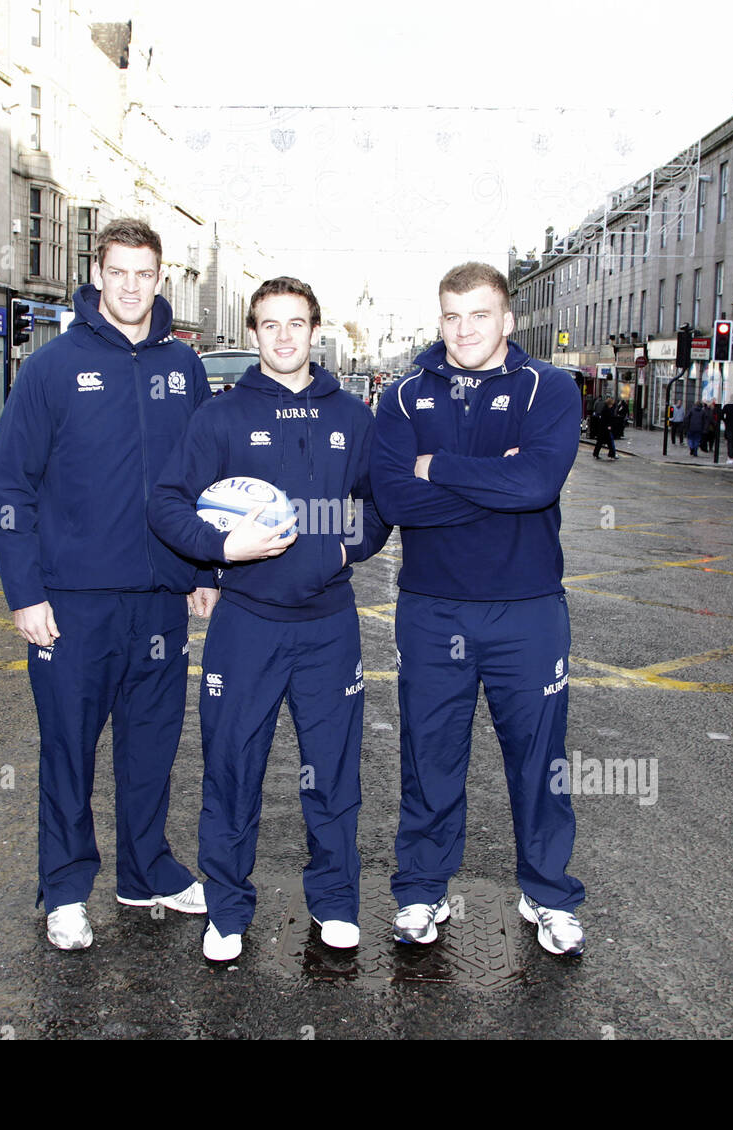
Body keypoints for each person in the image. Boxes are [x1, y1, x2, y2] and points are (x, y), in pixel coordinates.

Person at [0, 218, 214, 951]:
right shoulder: (51, 368)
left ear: (160, 278)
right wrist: (25, 594)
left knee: (151, 748)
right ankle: (64, 888)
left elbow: (203, 483)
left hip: (159, 600)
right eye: (117, 271)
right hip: (72, 606)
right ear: (97, 271)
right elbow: (12, 488)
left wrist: (203, 569)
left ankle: (145, 871)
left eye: (143, 273)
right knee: (68, 751)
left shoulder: (186, 369)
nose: (130, 285)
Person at [148, 277, 390, 961]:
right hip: (246, 625)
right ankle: (227, 909)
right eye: (269, 325)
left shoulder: (352, 416)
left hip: (328, 626)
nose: (283, 337)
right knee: (230, 768)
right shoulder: (220, 417)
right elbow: (167, 502)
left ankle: (337, 903)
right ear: (253, 333)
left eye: (296, 323)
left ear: (317, 330)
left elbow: (379, 504)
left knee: (334, 771)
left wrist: (347, 544)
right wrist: (217, 550)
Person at [370, 262, 586, 957]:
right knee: (430, 757)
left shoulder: (548, 387)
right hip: (432, 611)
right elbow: (395, 501)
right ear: (440, 322)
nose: (465, 330)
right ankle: (421, 891)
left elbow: (536, 482)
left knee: (538, 762)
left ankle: (547, 894)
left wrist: (439, 466)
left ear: (508, 320)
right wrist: (496, 477)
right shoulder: (403, 395)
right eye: (453, 317)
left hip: (527, 609)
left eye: (480, 315)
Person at [591, 396, 617, 460]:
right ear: (610, 403)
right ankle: (611, 455)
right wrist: (608, 426)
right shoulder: (606, 410)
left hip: (604, 429)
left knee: (603, 442)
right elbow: (605, 419)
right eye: (612, 403)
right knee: (605, 442)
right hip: (605, 429)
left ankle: (597, 454)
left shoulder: (608, 409)